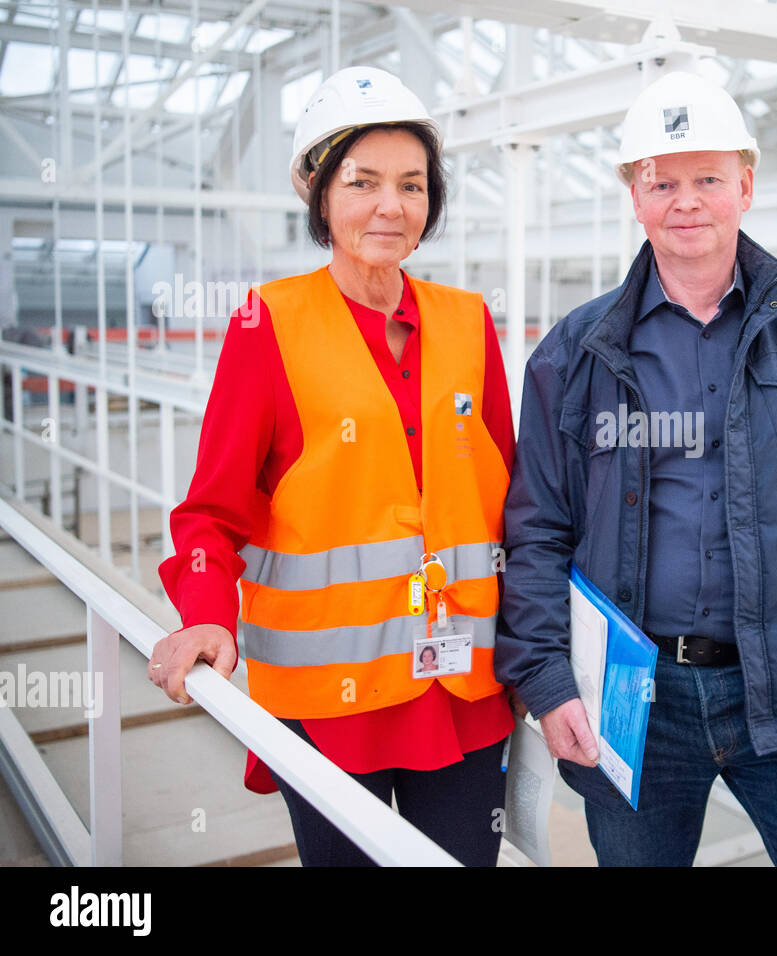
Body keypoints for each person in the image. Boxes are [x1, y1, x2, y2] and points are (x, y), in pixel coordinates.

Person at [495, 71, 777, 866]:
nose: (687, 201)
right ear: (635, 195)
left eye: (708, 179)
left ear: (745, 187)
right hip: (634, 702)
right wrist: (547, 682)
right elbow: (536, 529)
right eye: (663, 182)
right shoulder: (576, 352)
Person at [150, 67, 518, 867]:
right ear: (321, 194)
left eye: (413, 184)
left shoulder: (467, 322)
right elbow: (211, 509)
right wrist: (206, 611)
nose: (392, 204)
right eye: (364, 182)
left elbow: (512, 501)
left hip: (465, 688)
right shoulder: (268, 322)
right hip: (329, 701)